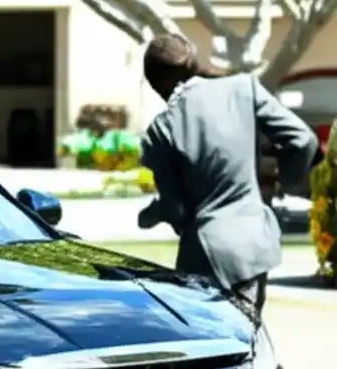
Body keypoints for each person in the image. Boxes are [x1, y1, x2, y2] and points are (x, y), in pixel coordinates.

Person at [136, 33, 318, 316]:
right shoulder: (244, 89)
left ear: (154, 82)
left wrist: (152, 214)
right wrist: (288, 180)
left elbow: (178, 210)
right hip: (254, 245)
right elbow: (303, 140)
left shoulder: (160, 131)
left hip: (206, 257)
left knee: (215, 349)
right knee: (249, 340)